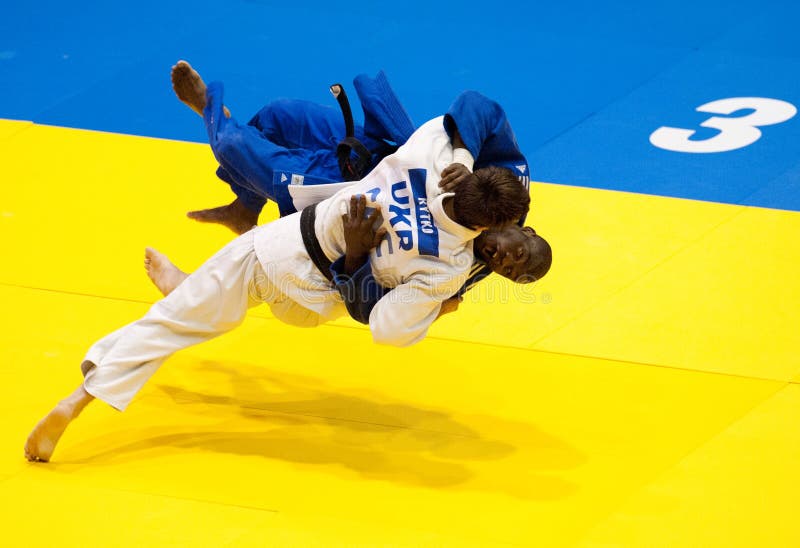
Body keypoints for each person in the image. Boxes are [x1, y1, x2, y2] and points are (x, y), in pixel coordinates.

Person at [24, 106, 531, 463]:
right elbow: (384, 330)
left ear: (469, 178)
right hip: (317, 305)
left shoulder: (434, 154)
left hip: (282, 250)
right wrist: (404, 287)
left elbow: (477, 105)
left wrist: (460, 158)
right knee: (215, 306)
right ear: (487, 227)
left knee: (174, 325)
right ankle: (187, 288)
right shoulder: (448, 267)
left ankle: (81, 398)